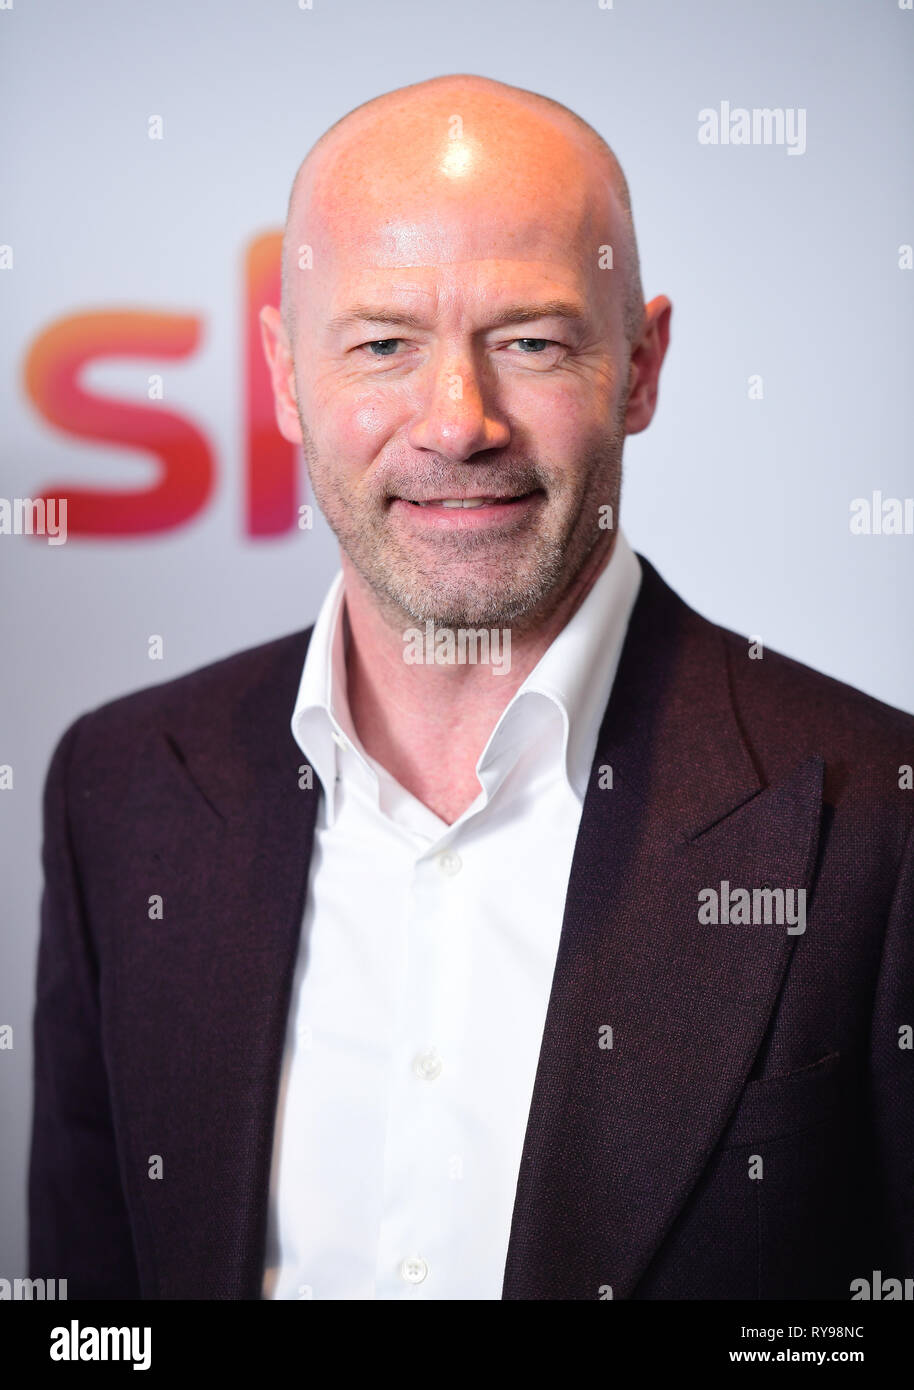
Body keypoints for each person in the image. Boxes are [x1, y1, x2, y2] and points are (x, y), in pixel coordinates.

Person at [30, 73, 913, 1301]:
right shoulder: (118, 791)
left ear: (641, 368)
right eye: (382, 342)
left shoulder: (880, 817)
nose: (458, 422)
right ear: (286, 377)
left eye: (529, 342)